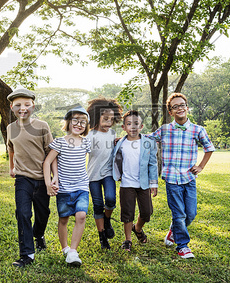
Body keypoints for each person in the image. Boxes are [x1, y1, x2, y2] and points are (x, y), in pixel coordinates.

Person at [148, 92, 214, 259]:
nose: (179, 108)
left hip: (189, 179)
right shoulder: (164, 130)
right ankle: (183, 246)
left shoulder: (197, 130)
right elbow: (146, 139)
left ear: (187, 108)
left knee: (190, 214)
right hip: (171, 179)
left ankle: (173, 230)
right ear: (170, 112)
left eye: (182, 105)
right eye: (174, 106)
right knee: (179, 214)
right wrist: (126, 137)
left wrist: (200, 166)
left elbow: (209, 148)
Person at [6, 87, 54, 268]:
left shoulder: (42, 126)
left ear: (33, 106)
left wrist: (53, 177)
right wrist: (11, 167)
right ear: (12, 107)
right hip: (22, 178)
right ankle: (27, 254)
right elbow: (11, 148)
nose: (22, 108)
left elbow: (51, 152)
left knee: (43, 214)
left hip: (42, 179)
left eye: (27, 104)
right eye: (18, 105)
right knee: (23, 214)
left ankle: (38, 234)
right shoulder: (10, 128)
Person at [44, 105, 92, 267]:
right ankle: (65, 248)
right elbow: (48, 162)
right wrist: (52, 180)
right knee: (63, 219)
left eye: (83, 122)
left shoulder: (86, 143)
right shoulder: (59, 142)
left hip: (82, 187)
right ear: (68, 123)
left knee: (81, 216)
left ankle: (73, 251)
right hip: (64, 188)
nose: (79, 125)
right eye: (75, 121)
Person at [111, 110, 158, 252]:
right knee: (127, 212)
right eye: (129, 124)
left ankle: (137, 228)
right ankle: (127, 240)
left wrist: (154, 183)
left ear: (142, 126)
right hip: (126, 183)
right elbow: (115, 159)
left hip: (143, 184)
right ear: (124, 127)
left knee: (147, 212)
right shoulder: (120, 143)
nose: (133, 127)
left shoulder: (148, 143)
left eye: (136, 123)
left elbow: (152, 164)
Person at [86, 97, 123, 250]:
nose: (108, 122)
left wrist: (119, 141)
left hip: (108, 173)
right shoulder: (89, 136)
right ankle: (102, 237)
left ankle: (107, 220)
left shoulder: (112, 134)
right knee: (97, 205)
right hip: (92, 176)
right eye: (105, 119)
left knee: (110, 199)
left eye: (111, 119)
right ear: (96, 117)